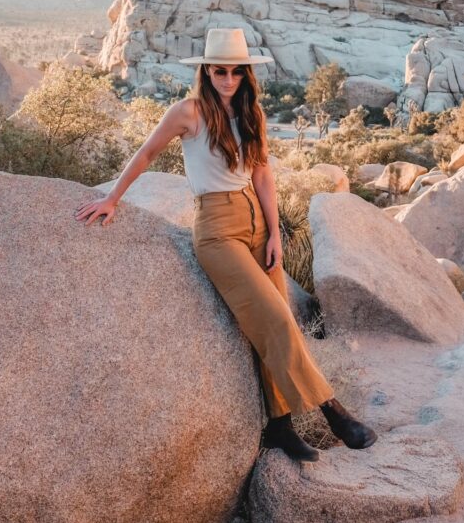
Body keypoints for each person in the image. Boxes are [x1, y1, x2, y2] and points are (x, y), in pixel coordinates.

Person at [74, 26, 377, 461]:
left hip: (256, 222)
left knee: (272, 322)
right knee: (276, 320)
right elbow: (146, 153)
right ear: (206, 71)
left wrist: (275, 233)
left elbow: (263, 175)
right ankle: (333, 412)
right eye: (220, 71)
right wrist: (112, 198)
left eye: (236, 72)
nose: (228, 79)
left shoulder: (252, 114)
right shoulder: (188, 112)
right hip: (217, 230)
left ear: (246, 75)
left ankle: (279, 426)